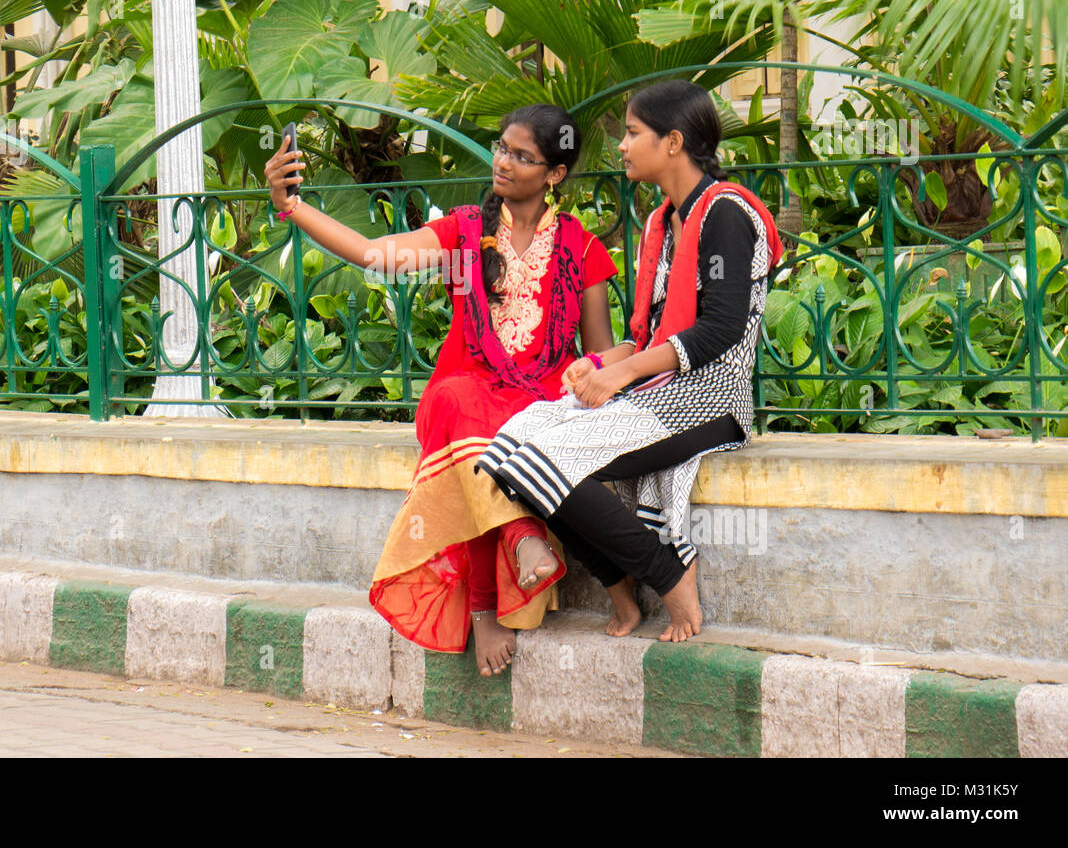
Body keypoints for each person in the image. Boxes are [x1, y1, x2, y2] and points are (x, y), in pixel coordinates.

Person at [264, 105, 617, 675]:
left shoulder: (583, 249)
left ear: (554, 174)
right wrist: (292, 206)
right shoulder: (463, 235)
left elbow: (601, 348)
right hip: (468, 387)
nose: (503, 162)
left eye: (523, 157)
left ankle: (485, 602)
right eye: (502, 148)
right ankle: (516, 548)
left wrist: (595, 370)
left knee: (491, 435)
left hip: (543, 396)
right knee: (463, 410)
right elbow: (373, 254)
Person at [475, 80, 783, 642]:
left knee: (545, 457)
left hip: (708, 403)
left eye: (634, 133)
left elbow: (721, 329)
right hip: (656, 391)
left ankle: (669, 576)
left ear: (672, 142)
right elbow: (648, 336)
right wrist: (599, 364)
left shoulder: (727, 215)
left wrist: (625, 373)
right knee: (509, 446)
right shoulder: (666, 221)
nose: (621, 145)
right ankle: (618, 582)